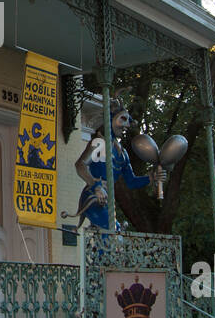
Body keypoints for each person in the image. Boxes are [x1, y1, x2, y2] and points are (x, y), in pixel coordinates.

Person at [71, 100, 165, 236]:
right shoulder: (99, 143)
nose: (126, 124)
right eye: (123, 119)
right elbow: (80, 165)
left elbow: (131, 181)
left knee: (113, 236)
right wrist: (95, 185)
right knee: (111, 233)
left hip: (108, 199)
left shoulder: (123, 153)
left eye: (129, 120)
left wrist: (151, 178)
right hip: (94, 196)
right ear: (111, 118)